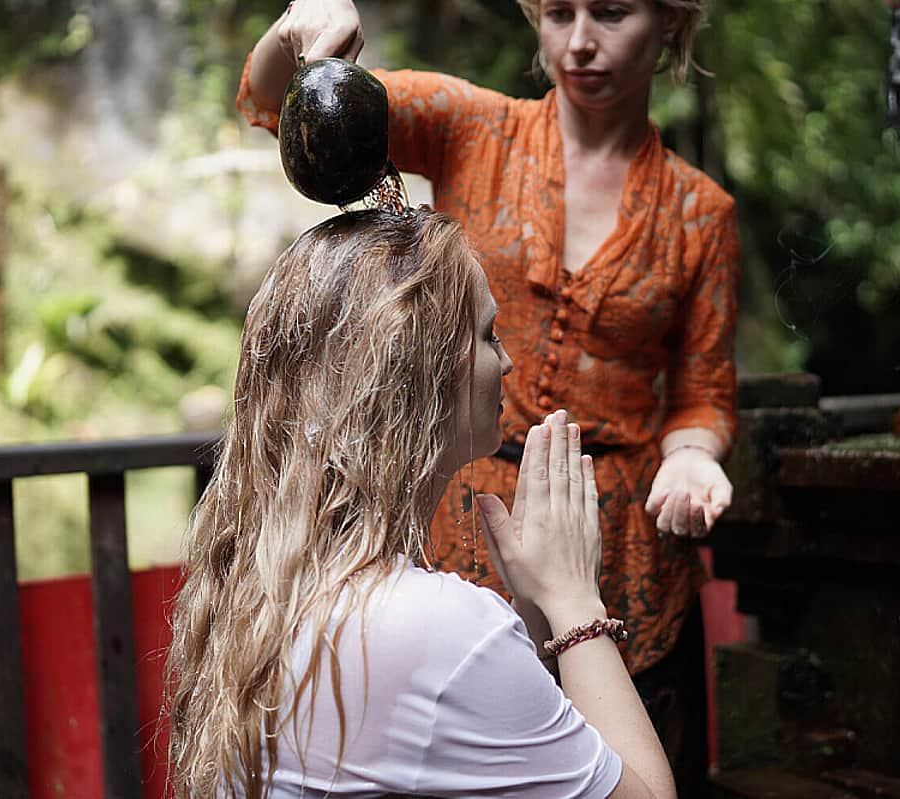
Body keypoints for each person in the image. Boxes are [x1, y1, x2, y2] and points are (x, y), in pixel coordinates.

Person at [238, 1, 740, 792]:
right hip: (462, 519)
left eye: (611, 13)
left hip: (622, 551)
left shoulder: (701, 213)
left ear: (670, 24)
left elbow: (702, 392)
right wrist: (304, 24)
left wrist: (693, 455)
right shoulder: (473, 126)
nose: (580, 42)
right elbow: (277, 101)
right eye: (558, 13)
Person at [166, 208, 678, 798]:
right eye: (488, 335)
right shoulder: (434, 628)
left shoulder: (266, 586)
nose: (507, 361)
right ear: (421, 369)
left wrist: (531, 615)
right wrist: (574, 601)